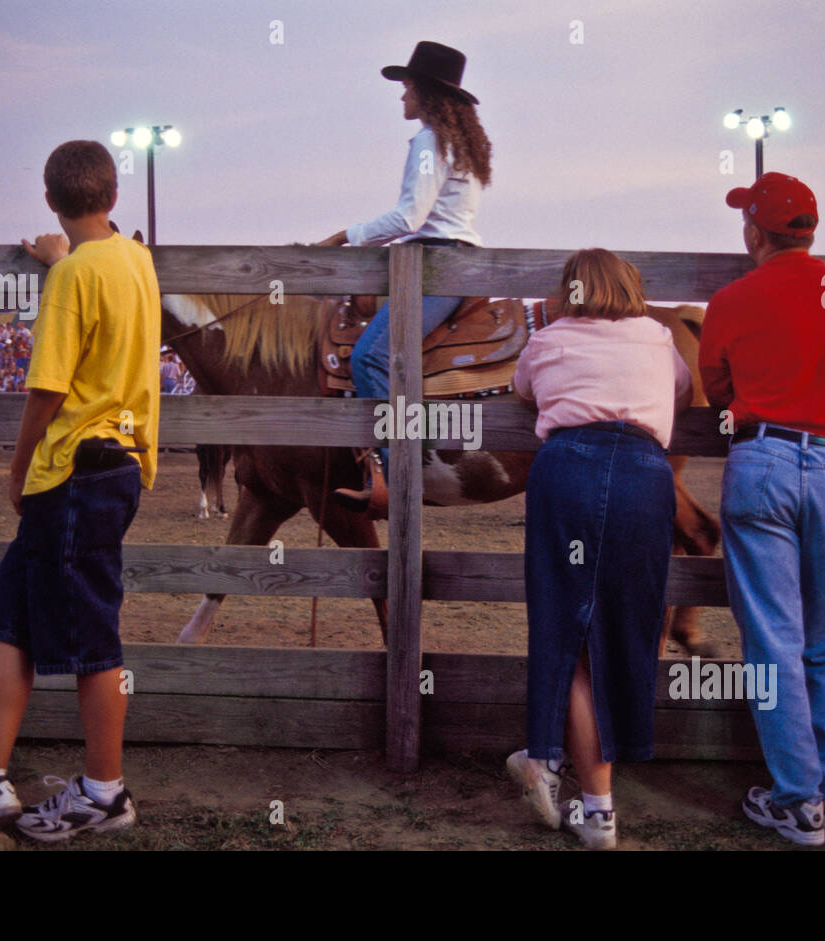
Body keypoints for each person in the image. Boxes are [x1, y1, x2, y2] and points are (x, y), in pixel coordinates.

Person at [0, 140, 161, 843]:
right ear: (112, 193)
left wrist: (16, 469)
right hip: (118, 466)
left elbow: (47, 386)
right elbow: (99, 271)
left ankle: (105, 793)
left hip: (73, 469)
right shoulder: (133, 258)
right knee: (5, 616)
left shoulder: (74, 277)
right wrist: (63, 260)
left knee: (91, 632)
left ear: (50, 200)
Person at [698, 172, 825, 846]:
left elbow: (717, 388)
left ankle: (797, 799)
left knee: (772, 637)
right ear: (809, 228)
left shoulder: (733, 298)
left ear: (756, 231)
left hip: (765, 459)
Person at [505, 248, 692, 850]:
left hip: (567, 470)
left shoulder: (549, 339)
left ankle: (569, 780)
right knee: (627, 632)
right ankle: (582, 789)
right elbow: (683, 396)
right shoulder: (659, 339)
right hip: (643, 471)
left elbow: (522, 389)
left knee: (566, 631)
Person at [318, 40, 491, 513]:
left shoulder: (430, 140)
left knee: (372, 358)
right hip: (449, 262)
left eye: (407, 87)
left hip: (435, 266)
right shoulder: (458, 141)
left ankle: (397, 474)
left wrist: (343, 236)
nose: (401, 97)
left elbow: (409, 219)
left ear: (426, 93)